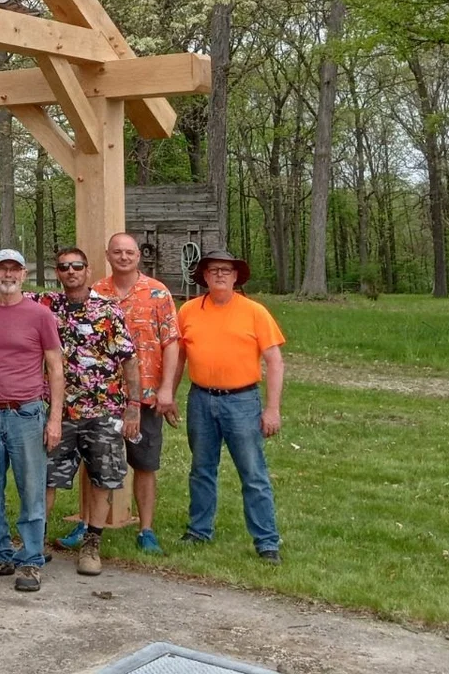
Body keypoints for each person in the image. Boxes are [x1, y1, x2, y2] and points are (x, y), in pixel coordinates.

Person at [61, 231, 180, 556]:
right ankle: (85, 524)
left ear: (138, 255)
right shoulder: (95, 291)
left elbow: (171, 342)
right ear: (108, 255)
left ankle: (146, 529)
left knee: (144, 463)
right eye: (117, 252)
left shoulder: (158, 293)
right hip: (99, 397)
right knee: (92, 462)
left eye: (129, 252)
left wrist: (167, 388)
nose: (123, 257)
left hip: (145, 396)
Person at [172, 249, 286, 563]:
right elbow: (178, 357)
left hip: (243, 401)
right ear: (204, 277)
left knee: (253, 473)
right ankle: (199, 529)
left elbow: (275, 362)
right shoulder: (189, 311)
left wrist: (272, 409)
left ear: (236, 277)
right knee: (201, 469)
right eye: (213, 270)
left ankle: (266, 541)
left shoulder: (255, 312)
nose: (220, 275)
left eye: (226, 270)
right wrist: (167, 392)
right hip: (201, 399)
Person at [0, 248, 63, 594]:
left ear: (23, 275)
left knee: (31, 488)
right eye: (2, 269)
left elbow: (55, 367)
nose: (8, 276)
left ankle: (32, 559)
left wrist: (54, 419)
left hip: (26, 412)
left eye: (14, 270)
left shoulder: (40, 316)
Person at [40, 247, 141, 578]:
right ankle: (34, 541)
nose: (71, 271)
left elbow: (129, 359)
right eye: (64, 267)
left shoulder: (108, 311)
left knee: (104, 478)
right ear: (57, 272)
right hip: (61, 411)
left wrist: (133, 407)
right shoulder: (46, 307)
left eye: (77, 266)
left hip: (104, 411)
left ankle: (92, 543)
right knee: (46, 478)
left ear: (87, 270)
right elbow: (2, 286)